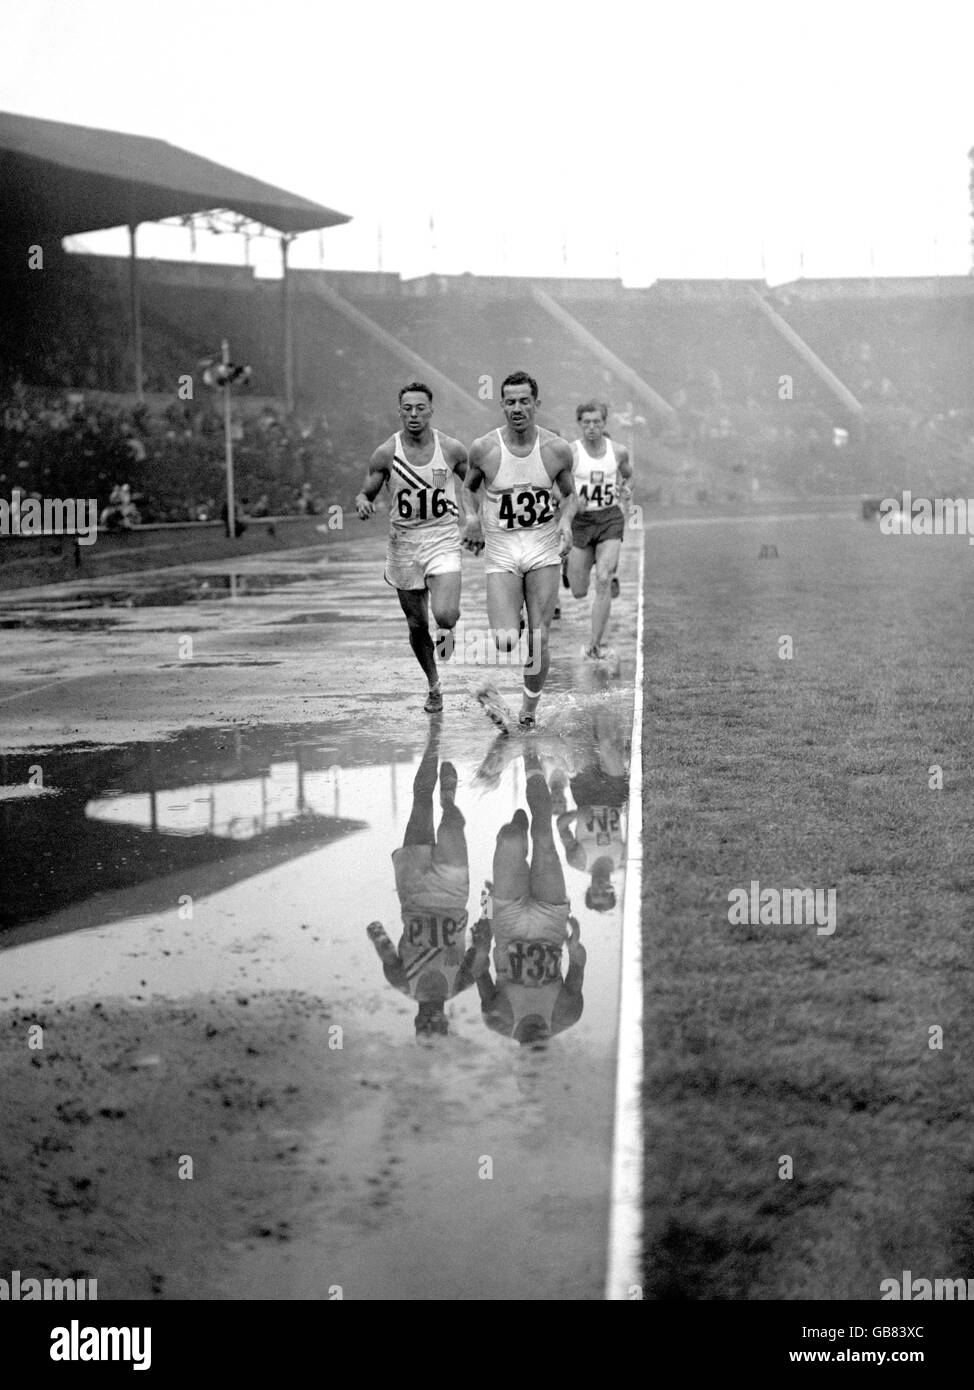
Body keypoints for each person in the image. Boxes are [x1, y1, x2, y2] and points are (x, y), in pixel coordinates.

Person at [461, 370, 577, 731]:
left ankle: (527, 712)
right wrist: (472, 518)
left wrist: (566, 522)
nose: (517, 408)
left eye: (524, 401)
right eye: (510, 401)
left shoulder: (556, 449)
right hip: (502, 551)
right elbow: (469, 489)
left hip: (542, 548)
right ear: (501, 405)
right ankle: (517, 621)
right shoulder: (484, 449)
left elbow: (570, 495)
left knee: (539, 638)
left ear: (536, 404)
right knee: (506, 640)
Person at [365, 723, 489, 1038]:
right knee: (452, 825)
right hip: (452, 894)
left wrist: (377, 934)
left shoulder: (401, 982)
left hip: (415, 891)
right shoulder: (460, 982)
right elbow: (482, 952)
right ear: (445, 1022)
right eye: (437, 1026)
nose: (430, 1021)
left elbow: (382, 945)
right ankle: (449, 800)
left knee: (421, 803)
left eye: (424, 1027)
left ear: (417, 1022)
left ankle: (433, 741)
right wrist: (483, 935)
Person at [356, 383, 469, 713]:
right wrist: (362, 502)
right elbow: (366, 492)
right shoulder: (385, 453)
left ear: (431, 410)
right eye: (408, 408)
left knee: (445, 614)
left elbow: (475, 483)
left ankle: (447, 629)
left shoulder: (451, 449)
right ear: (400, 411)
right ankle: (434, 686)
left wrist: (476, 516)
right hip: (404, 543)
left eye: (420, 408)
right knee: (417, 624)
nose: (414, 414)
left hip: (442, 537)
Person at [475, 750, 586, 1044]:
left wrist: (485, 911)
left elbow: (478, 967)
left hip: (507, 923)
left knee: (509, 837)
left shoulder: (498, 1020)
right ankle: (530, 755)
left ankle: (519, 833)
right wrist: (575, 946)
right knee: (544, 837)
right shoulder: (567, 1015)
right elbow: (577, 966)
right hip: (550, 923)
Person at [567, 402, 632, 659]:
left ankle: (594, 645)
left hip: (609, 519)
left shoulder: (618, 451)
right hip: (581, 522)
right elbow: (556, 486)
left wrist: (625, 489)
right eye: (586, 422)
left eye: (597, 422)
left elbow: (629, 476)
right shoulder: (571, 452)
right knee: (579, 591)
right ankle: (571, 566)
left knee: (603, 579)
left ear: (604, 423)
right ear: (580, 423)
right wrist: (572, 501)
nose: (592, 427)